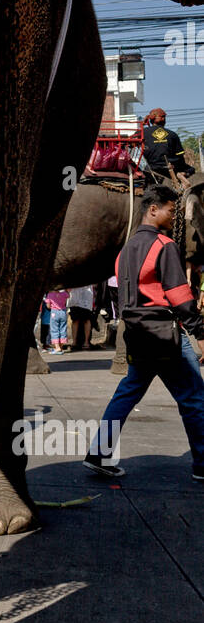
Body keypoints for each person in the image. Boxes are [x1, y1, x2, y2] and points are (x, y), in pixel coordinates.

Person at [85, 185, 204, 482]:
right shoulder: (164, 246)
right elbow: (179, 296)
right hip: (165, 335)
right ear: (153, 209)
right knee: (193, 398)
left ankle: (99, 454)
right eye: (170, 210)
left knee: (127, 393)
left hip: (137, 334)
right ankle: (202, 463)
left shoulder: (124, 251)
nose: (173, 216)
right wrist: (199, 331)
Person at [142, 109, 194, 185]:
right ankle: (182, 174)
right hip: (170, 167)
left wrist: (143, 125)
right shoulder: (172, 134)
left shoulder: (142, 133)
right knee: (191, 169)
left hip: (151, 167)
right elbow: (180, 156)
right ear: (163, 119)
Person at [68, 284, 95, 351]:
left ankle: (86, 342)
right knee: (75, 320)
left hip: (86, 295)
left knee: (86, 319)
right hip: (74, 295)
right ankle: (74, 342)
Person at [44, 289, 70, 354]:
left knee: (54, 330)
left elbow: (48, 306)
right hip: (63, 312)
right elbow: (68, 295)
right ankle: (60, 347)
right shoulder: (64, 294)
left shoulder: (50, 294)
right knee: (63, 329)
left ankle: (57, 347)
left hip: (54, 313)